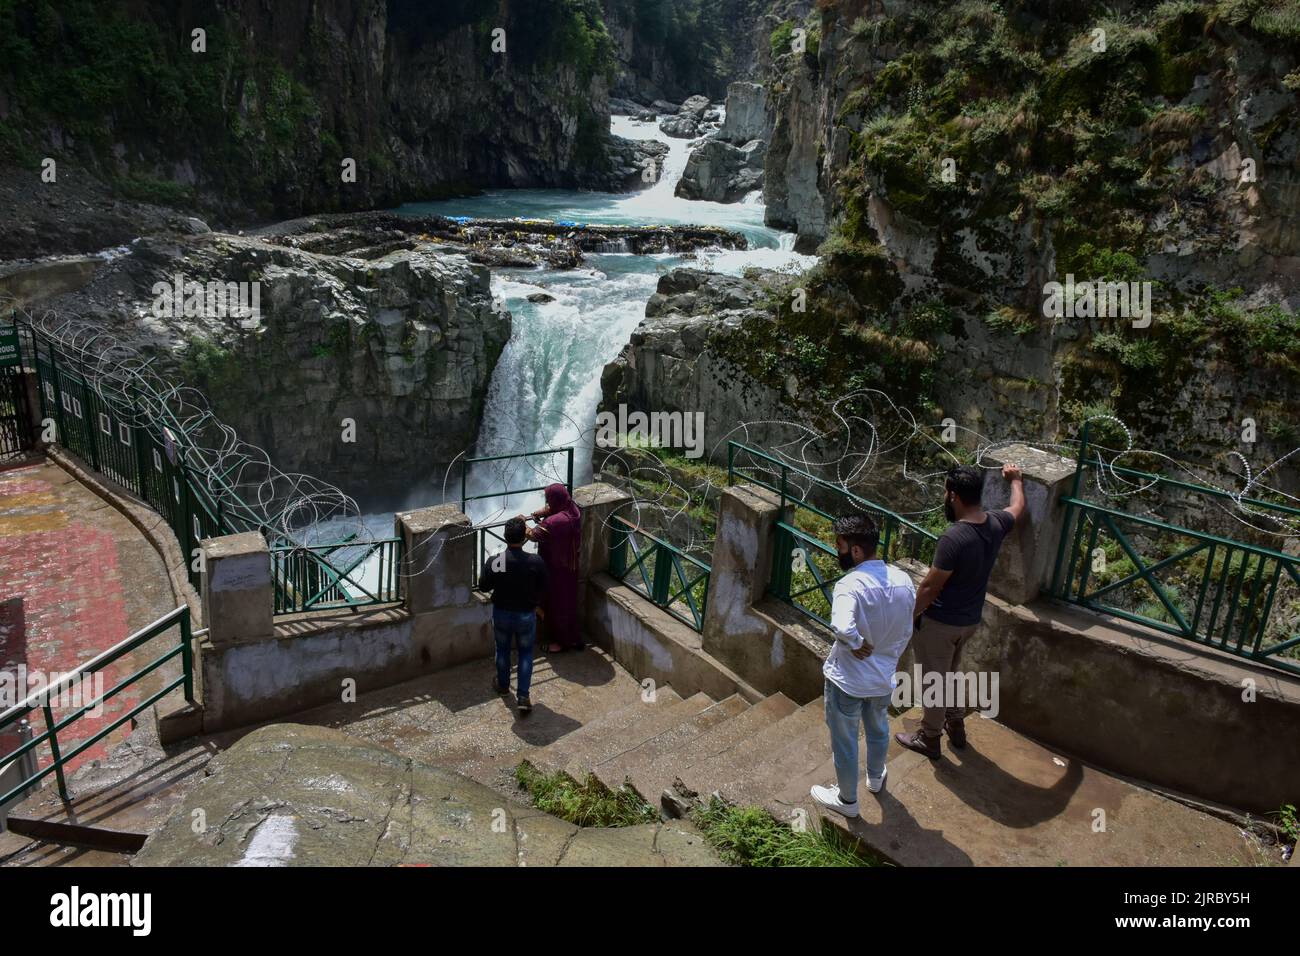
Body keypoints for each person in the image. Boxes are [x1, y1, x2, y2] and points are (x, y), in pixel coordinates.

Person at [895, 462, 1024, 758]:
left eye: (945, 491)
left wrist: (908, 617)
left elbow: (930, 587)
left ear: (952, 495)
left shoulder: (953, 538)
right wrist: (1016, 480)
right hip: (969, 621)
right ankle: (955, 722)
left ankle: (929, 737)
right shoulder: (995, 523)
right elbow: (1018, 507)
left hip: (940, 623)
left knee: (933, 680)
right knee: (949, 673)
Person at [810, 513, 917, 819]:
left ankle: (847, 800)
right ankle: (874, 776)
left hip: (848, 680)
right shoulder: (903, 580)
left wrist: (857, 643)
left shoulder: (850, 585)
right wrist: (888, 655)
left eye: (840, 545)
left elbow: (842, 627)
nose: (837, 550)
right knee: (878, 726)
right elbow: (907, 627)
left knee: (844, 739)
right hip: (883, 678)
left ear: (855, 550)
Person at [479, 516, 547, 715]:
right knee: (526, 653)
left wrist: (490, 564)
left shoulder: (496, 560)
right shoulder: (535, 561)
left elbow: (484, 586)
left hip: (501, 613)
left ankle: (502, 685)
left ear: (505, 536)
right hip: (526, 614)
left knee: (502, 649)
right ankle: (523, 696)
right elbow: (543, 586)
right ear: (523, 537)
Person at [524, 483, 583, 653]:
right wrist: (540, 512)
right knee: (569, 602)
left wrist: (522, 522)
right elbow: (554, 509)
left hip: (557, 567)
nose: (547, 503)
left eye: (549, 499)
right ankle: (574, 638)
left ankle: (562, 643)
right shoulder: (572, 508)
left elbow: (533, 535)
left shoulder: (556, 522)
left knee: (558, 604)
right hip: (570, 564)